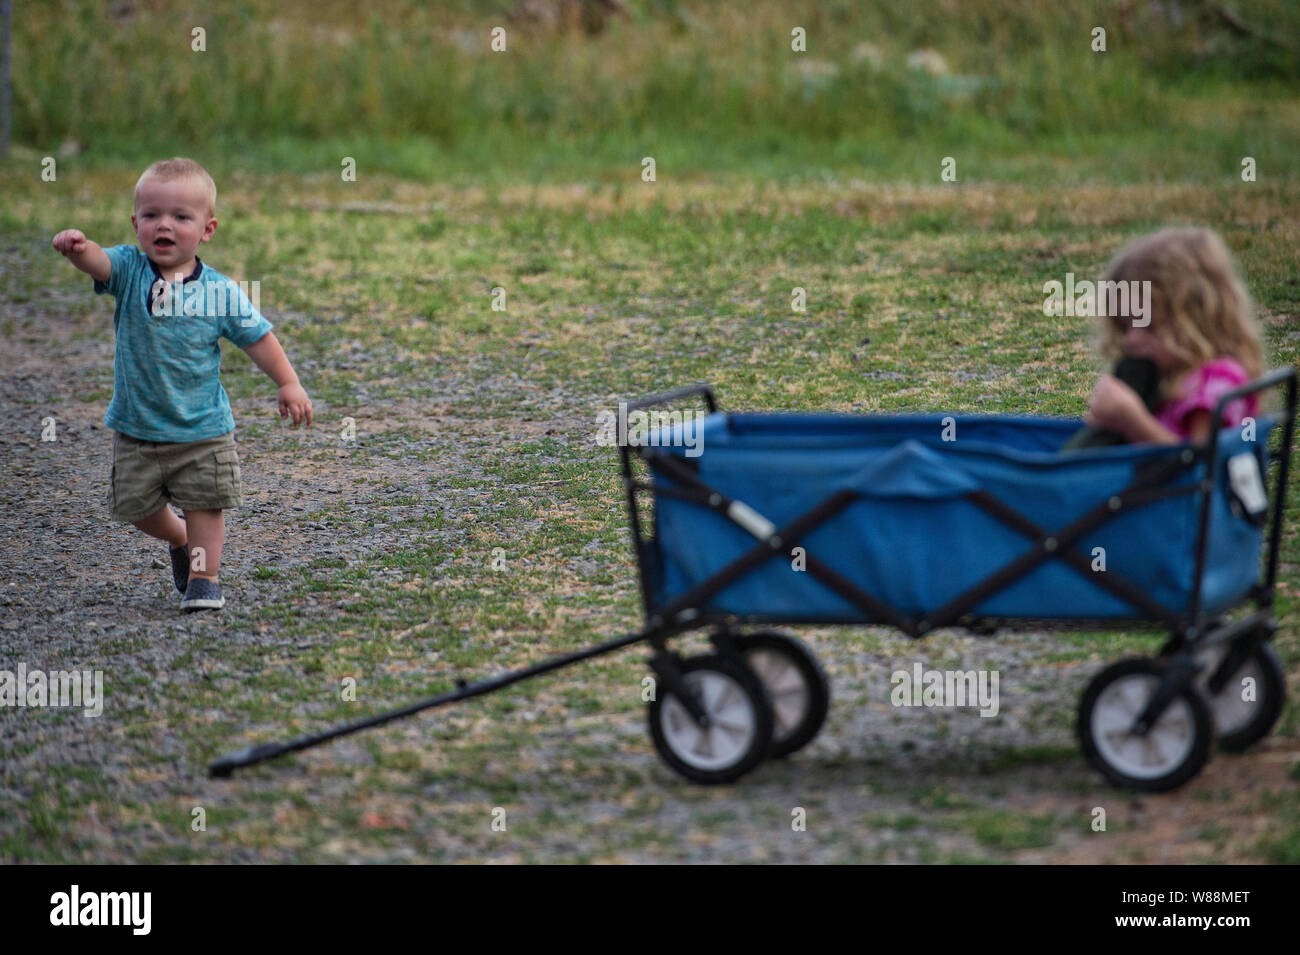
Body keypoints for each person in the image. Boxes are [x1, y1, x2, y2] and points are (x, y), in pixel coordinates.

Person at [52, 157, 312, 611]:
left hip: (203, 430)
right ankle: (176, 536)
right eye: (151, 216)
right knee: (135, 508)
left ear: (207, 229)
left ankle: (204, 579)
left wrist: (288, 382)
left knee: (206, 505)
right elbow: (99, 264)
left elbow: (258, 337)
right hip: (137, 427)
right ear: (136, 223)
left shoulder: (221, 291)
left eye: (180, 217)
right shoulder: (131, 270)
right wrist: (79, 249)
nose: (163, 226)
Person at [1084, 227, 1265, 446]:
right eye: (1125, 325)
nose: (1132, 339)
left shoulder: (1217, 382)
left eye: (1148, 326)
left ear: (1197, 320)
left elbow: (1200, 465)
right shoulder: (1168, 377)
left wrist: (1131, 419)